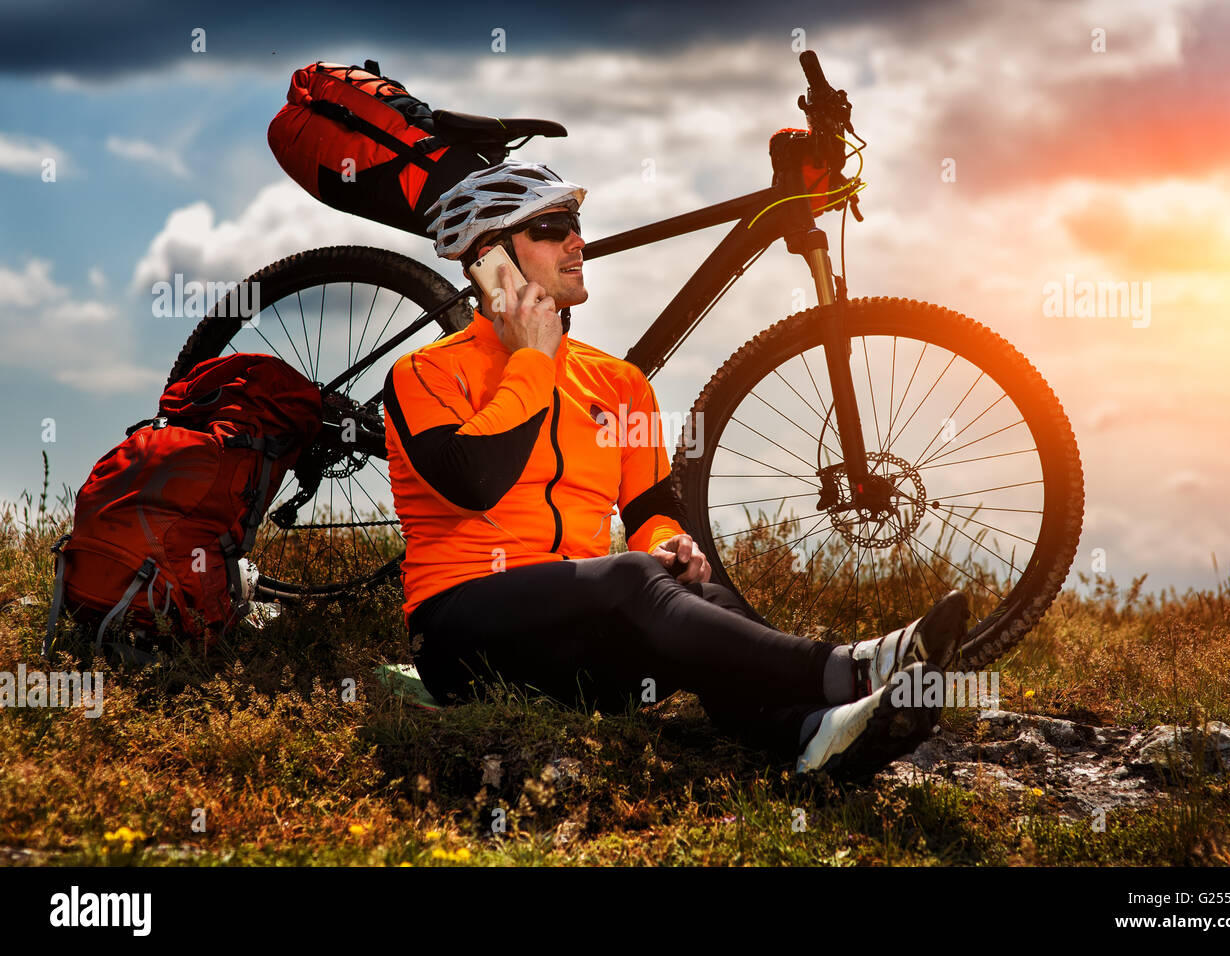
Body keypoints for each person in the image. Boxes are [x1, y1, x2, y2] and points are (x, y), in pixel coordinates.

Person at [383, 160, 970, 776]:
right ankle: (848, 669)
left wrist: (672, 546)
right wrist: (532, 360)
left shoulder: (619, 383)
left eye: (575, 224)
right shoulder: (425, 372)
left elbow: (650, 511)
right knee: (631, 578)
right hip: (461, 638)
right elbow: (474, 482)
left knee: (703, 593)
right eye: (552, 227)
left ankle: (811, 735)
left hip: (575, 647)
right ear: (489, 259)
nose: (577, 241)